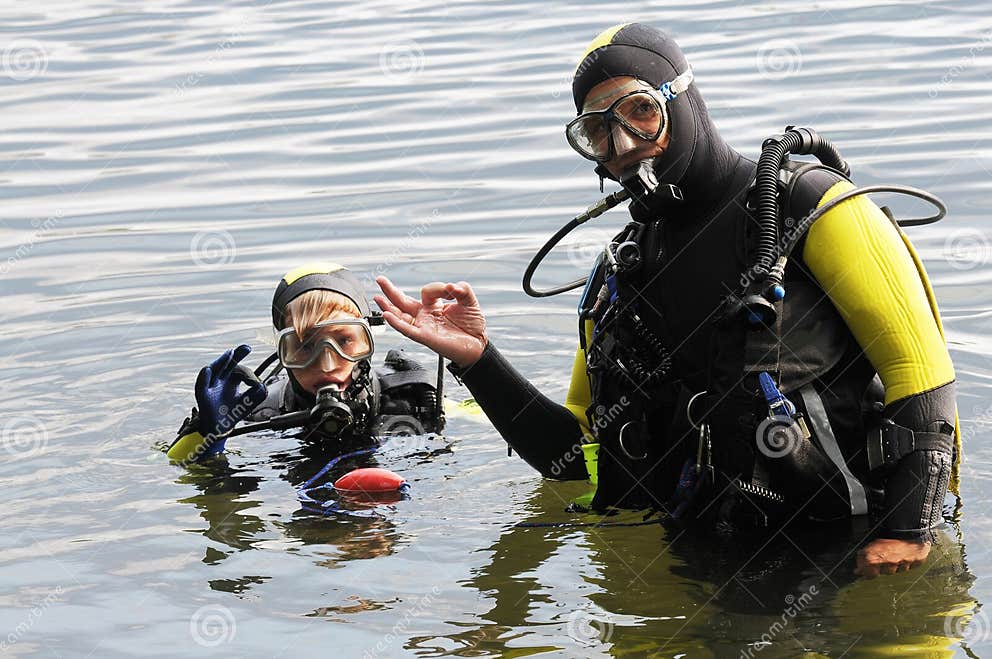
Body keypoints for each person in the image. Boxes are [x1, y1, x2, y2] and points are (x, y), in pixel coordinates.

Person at [374, 23, 961, 580]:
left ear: (684, 102)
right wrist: (478, 360)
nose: (623, 144)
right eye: (597, 132)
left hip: (851, 550)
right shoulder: (620, 271)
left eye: (639, 111)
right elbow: (575, 460)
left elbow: (922, 372)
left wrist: (910, 530)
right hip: (702, 561)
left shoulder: (811, 205)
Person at [167, 263, 442, 466]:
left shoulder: (414, 397)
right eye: (304, 346)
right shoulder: (260, 412)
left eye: (344, 341)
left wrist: (473, 357)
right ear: (283, 354)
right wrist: (208, 436)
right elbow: (174, 468)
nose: (326, 365)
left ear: (367, 343)